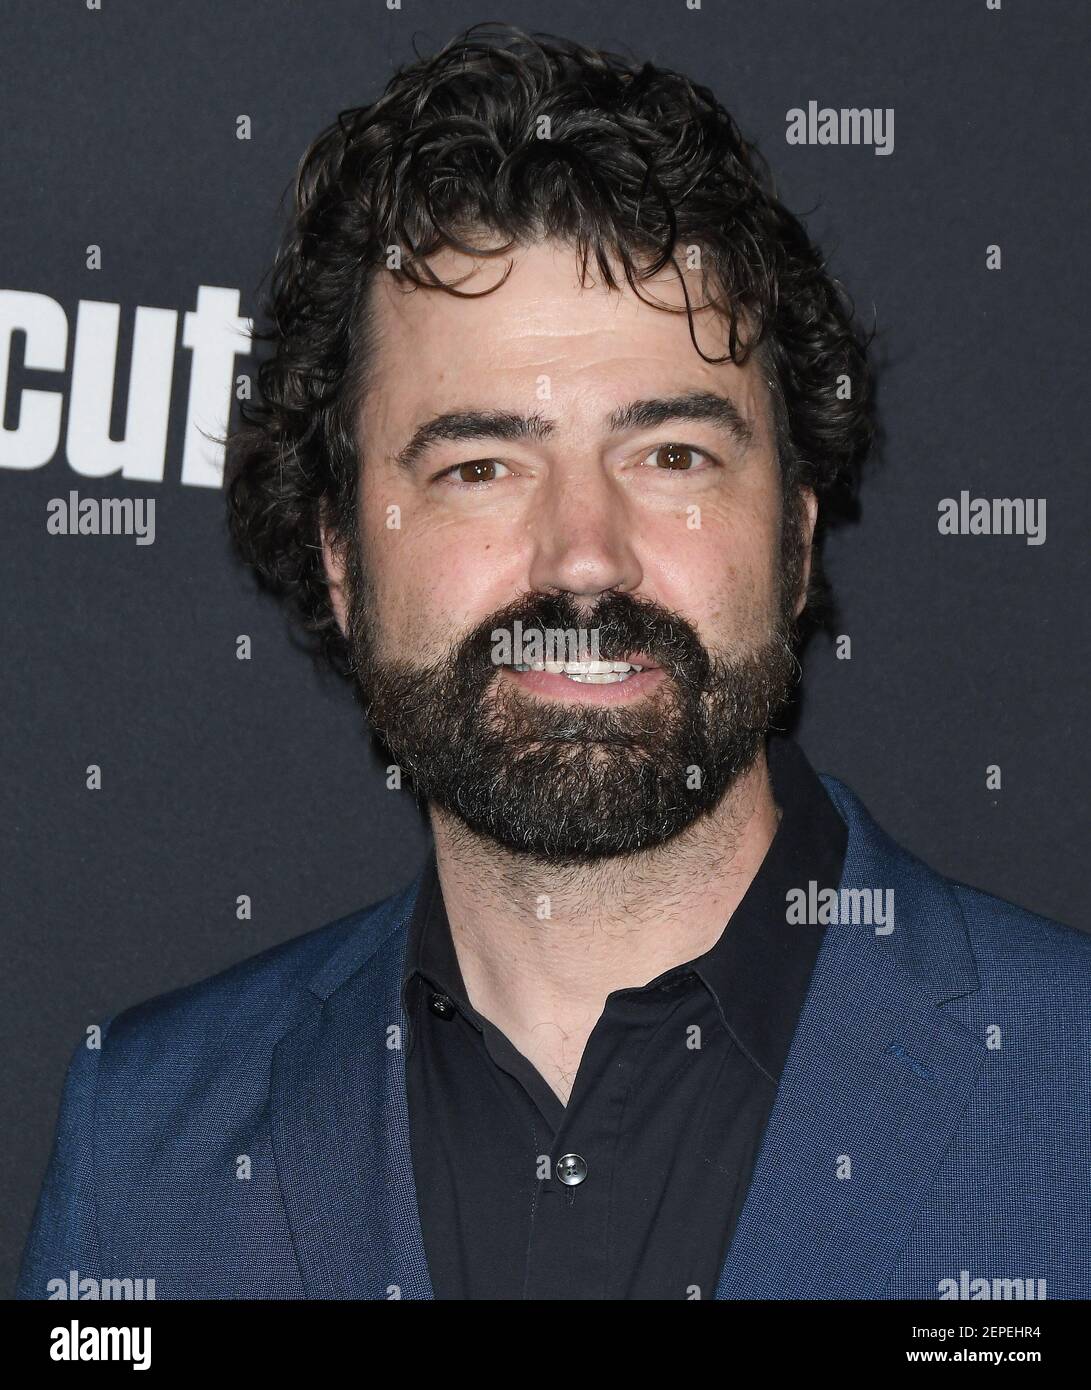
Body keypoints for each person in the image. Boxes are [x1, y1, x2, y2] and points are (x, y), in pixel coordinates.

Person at [18, 22, 1089, 1301]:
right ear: (343, 559)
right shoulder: (142, 1150)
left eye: (671, 455)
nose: (584, 557)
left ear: (795, 537)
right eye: (480, 465)